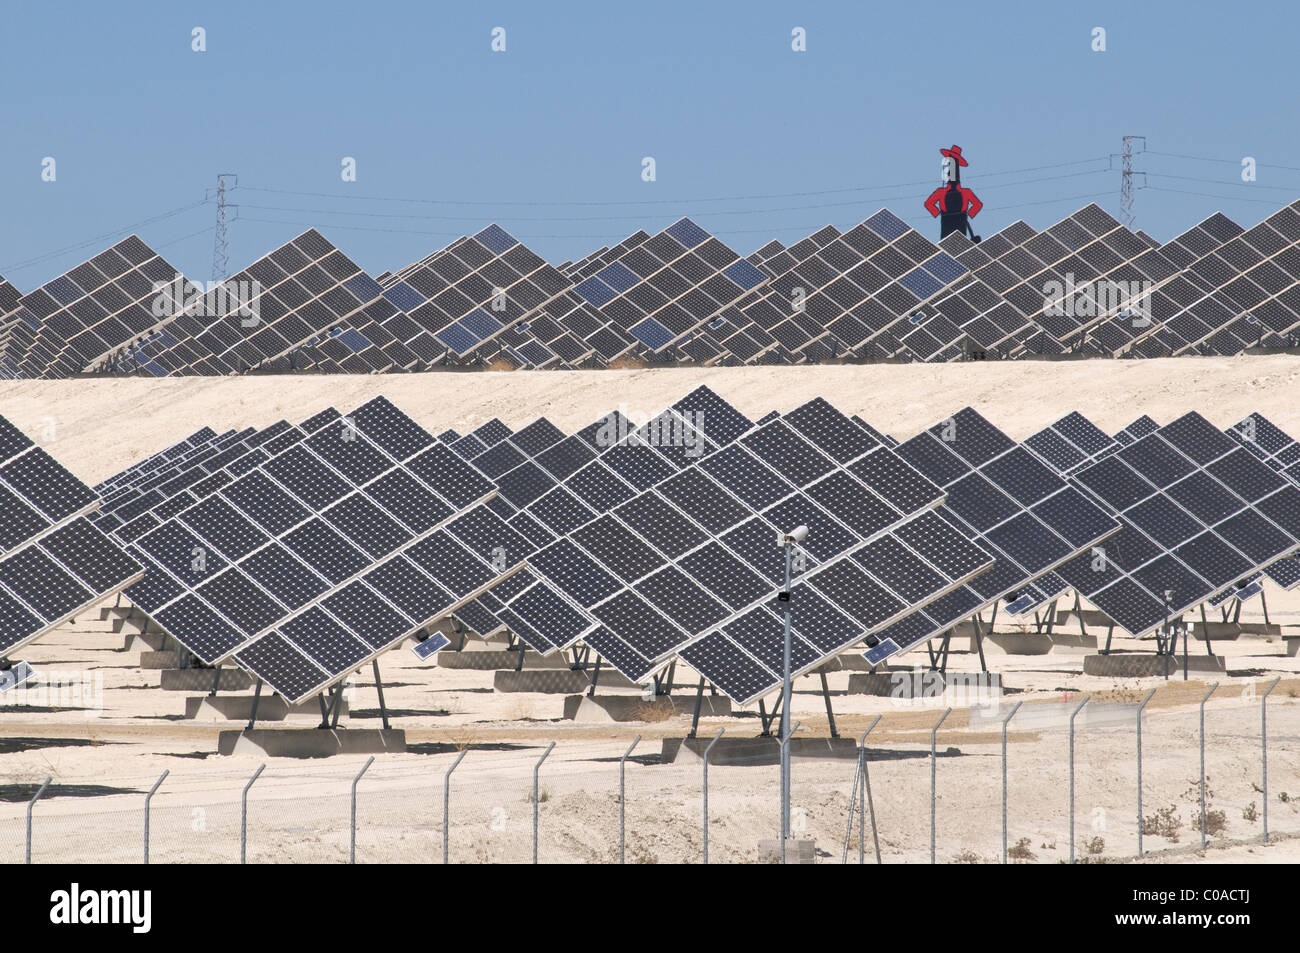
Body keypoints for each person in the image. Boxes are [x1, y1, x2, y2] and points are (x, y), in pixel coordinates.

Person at [924, 145, 982, 240]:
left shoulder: (963, 192)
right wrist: (967, 215)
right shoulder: (944, 192)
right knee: (951, 245)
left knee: (954, 244)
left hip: (956, 225)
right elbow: (928, 204)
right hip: (951, 225)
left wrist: (940, 213)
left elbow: (977, 205)